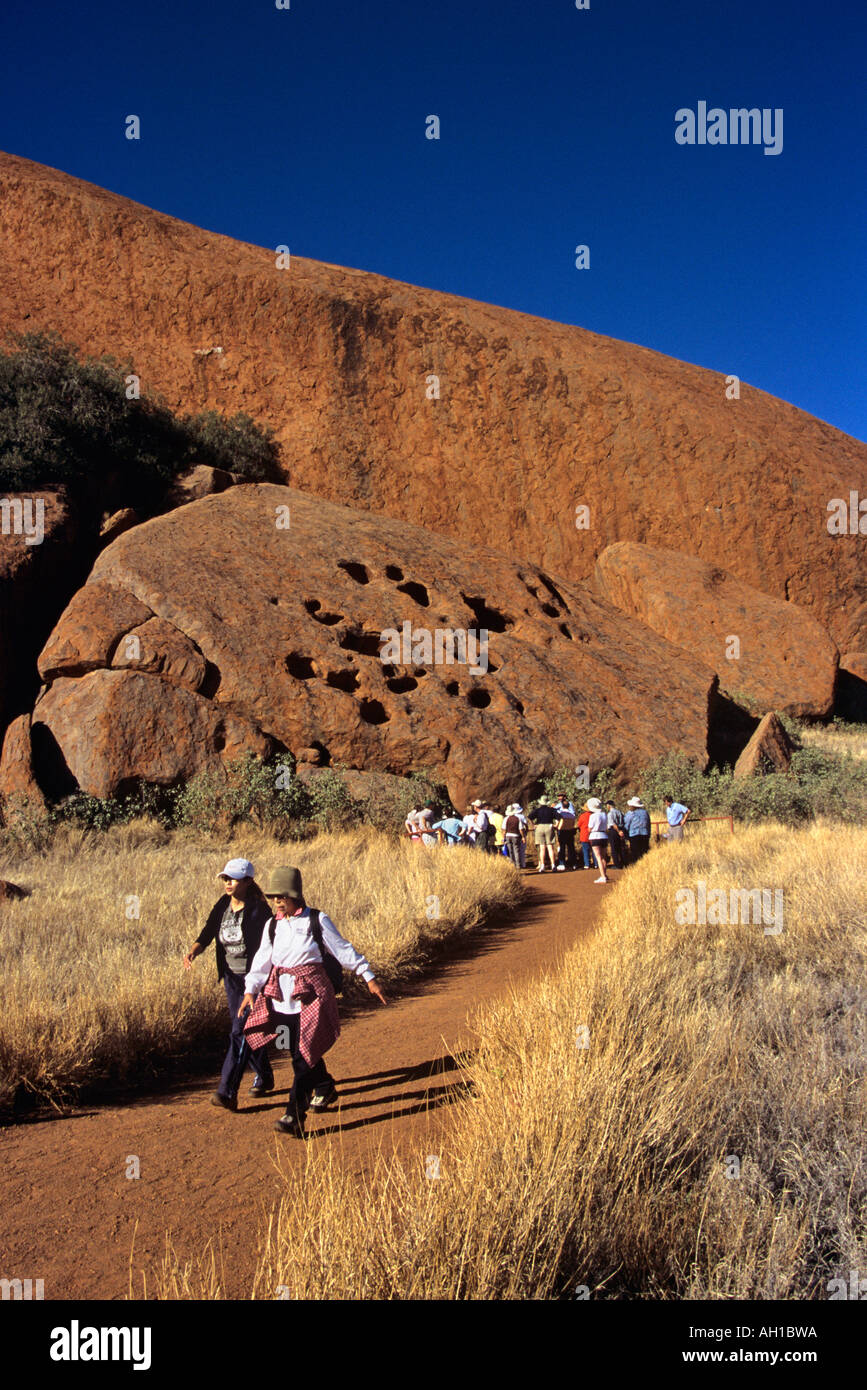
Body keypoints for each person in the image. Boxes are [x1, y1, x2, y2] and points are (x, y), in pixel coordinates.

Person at [240, 866, 387, 1137]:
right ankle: (324, 1086)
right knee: (295, 1050)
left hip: (312, 997)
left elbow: (343, 949)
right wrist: (251, 989)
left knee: (302, 1055)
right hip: (281, 999)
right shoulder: (273, 925)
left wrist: (368, 976)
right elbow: (262, 960)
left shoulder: (317, 920)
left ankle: (294, 1115)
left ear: (294, 894)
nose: (276, 902)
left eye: (281, 896)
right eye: (273, 897)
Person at [183, 857, 274, 1111]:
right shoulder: (223, 904)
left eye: (232, 879)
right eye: (225, 878)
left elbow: (269, 948)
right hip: (231, 979)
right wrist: (193, 951)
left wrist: (262, 981)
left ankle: (227, 1091)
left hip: (252, 980)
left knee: (240, 1030)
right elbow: (209, 931)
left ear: (247, 881)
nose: (227, 883)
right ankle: (264, 1075)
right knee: (244, 1027)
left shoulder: (260, 911)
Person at [529, 798, 557, 872]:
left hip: (540, 827)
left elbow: (529, 817)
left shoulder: (537, 810)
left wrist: (533, 825)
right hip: (549, 826)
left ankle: (542, 866)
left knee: (542, 848)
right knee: (550, 847)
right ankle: (553, 865)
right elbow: (559, 817)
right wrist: (556, 825)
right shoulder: (551, 810)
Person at [586, 798, 610, 883]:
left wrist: (589, 830)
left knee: (598, 857)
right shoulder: (604, 814)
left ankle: (603, 876)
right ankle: (604, 875)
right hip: (603, 835)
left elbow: (589, 828)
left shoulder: (592, 816)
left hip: (595, 835)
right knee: (603, 857)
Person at [554, 795, 578, 870]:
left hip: (562, 831)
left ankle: (562, 864)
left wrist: (555, 827)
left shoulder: (560, 814)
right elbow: (573, 823)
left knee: (562, 847)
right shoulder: (572, 815)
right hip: (570, 831)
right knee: (571, 848)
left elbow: (557, 823)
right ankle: (573, 863)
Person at [624, 797, 651, 861]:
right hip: (645, 834)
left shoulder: (630, 813)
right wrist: (649, 834)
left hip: (634, 835)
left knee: (635, 853)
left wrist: (625, 833)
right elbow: (648, 824)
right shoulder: (645, 813)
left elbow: (626, 824)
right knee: (644, 852)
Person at [605, 800, 626, 869]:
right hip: (621, 829)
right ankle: (623, 862)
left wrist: (618, 831)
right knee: (620, 847)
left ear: (609, 805)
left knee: (614, 848)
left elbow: (613, 824)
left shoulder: (610, 814)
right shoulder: (619, 812)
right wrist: (621, 831)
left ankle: (617, 864)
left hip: (614, 831)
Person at [577, 803, 593, 870]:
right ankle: (596, 864)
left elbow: (579, 825)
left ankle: (587, 864)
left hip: (584, 835)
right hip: (593, 835)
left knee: (585, 850)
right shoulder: (593, 815)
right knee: (594, 850)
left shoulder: (582, 816)